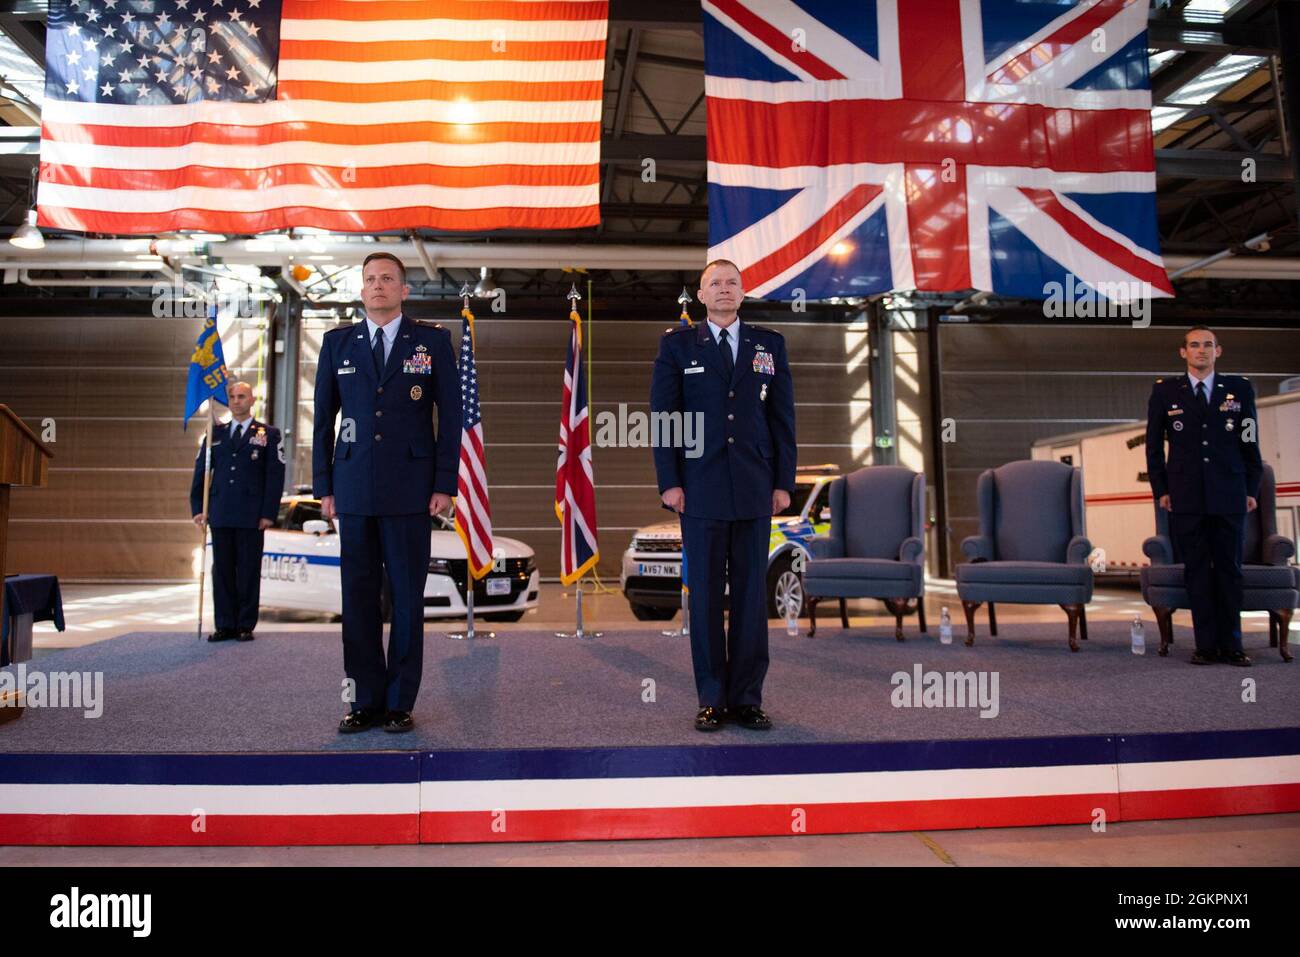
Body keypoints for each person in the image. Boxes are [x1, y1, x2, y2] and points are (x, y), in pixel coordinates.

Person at [313, 252, 461, 733]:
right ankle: (364, 701)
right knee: (357, 599)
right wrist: (324, 486)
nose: (378, 286)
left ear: (404, 290)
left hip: (411, 490)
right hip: (353, 487)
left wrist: (444, 483)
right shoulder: (338, 344)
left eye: (388, 279)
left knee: (405, 599)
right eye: (370, 279)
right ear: (361, 290)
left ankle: (399, 702)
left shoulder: (433, 342)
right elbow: (321, 423)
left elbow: (451, 418)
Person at [650, 259, 797, 731]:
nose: (724, 289)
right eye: (715, 283)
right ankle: (712, 697)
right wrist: (669, 482)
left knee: (753, 599)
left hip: (755, 490)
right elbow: (664, 420)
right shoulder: (677, 347)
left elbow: (782, 420)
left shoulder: (768, 346)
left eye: (732, 282)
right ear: (701, 294)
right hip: (700, 492)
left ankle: (748, 698)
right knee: (708, 597)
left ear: (743, 290)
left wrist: (783, 483)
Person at [1145, 326, 1263, 666]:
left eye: (1207, 345)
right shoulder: (1166, 392)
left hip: (1230, 493)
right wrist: (1162, 490)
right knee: (1196, 570)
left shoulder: (1238, 389)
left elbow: (1249, 441)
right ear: (1183, 352)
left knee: (1230, 569)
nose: (1201, 351)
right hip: (1186, 495)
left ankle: (1233, 645)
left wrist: (1251, 489)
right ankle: (1206, 645)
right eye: (1194, 345)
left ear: (1218, 351)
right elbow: (1154, 447)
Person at [190, 381, 285, 642]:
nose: (236, 401)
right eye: (232, 396)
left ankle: (244, 624)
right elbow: (202, 473)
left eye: (241, 396)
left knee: (247, 570)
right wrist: (198, 507)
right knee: (221, 572)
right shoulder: (215, 434)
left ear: (252, 400)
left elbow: (274, 477)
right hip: (219, 513)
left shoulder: (268, 434)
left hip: (251, 516)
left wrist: (268, 513)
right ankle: (224, 624)